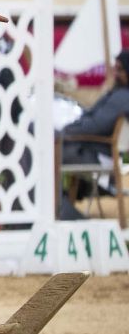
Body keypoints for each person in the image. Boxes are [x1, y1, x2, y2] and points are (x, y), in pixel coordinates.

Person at [56, 49, 129, 217]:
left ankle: (60, 209)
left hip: (94, 153)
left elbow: (96, 125)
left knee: (47, 154)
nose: (115, 73)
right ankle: (62, 205)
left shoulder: (121, 97)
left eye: (120, 69)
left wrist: (66, 131)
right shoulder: (120, 95)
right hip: (93, 150)